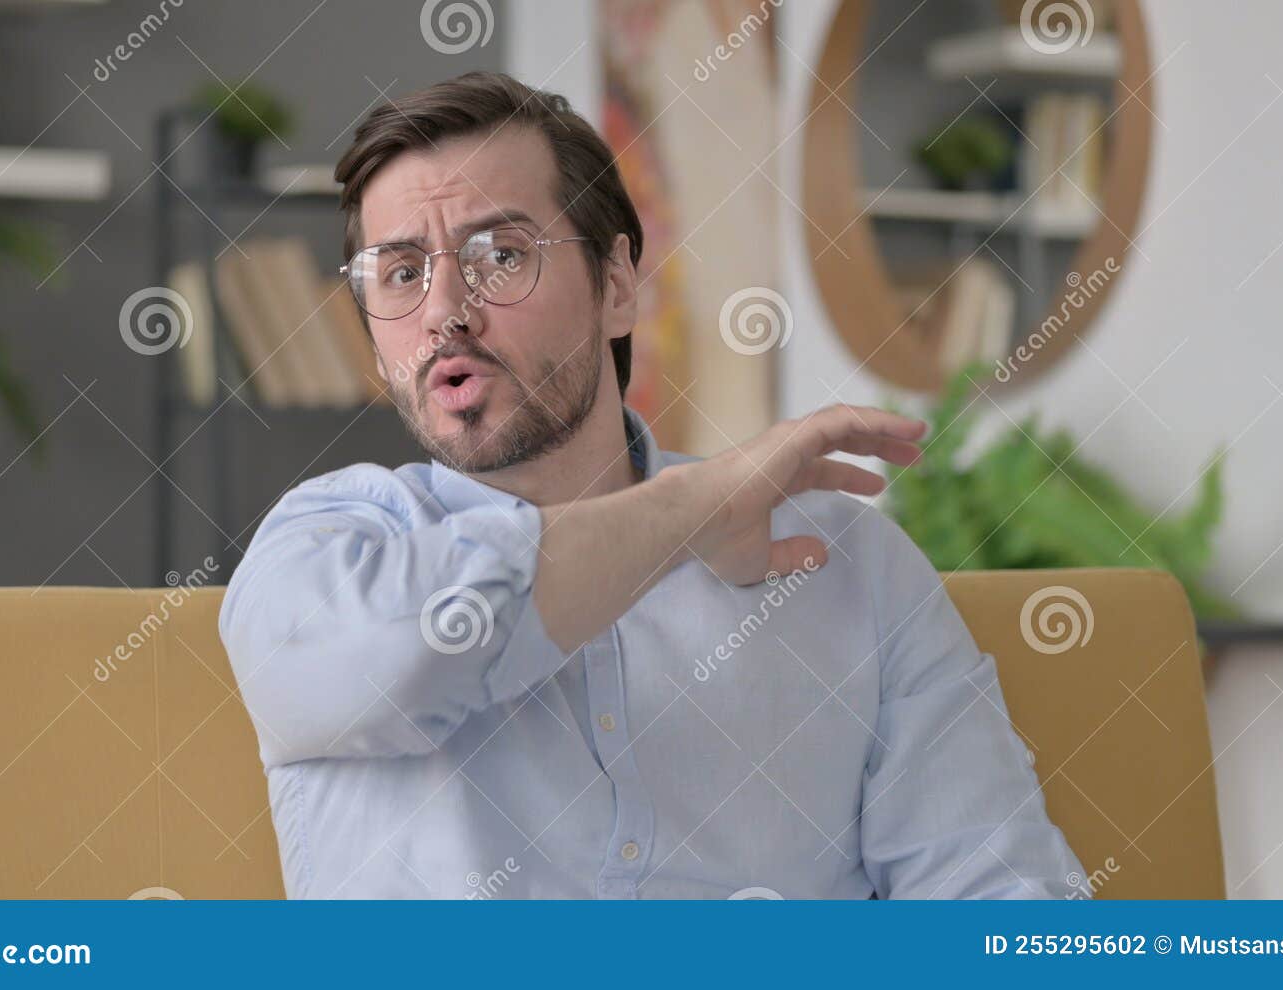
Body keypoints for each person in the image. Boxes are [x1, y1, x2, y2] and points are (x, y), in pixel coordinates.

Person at [218, 71, 1084, 899]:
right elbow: (393, 664)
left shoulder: (848, 563)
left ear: (619, 284)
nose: (446, 310)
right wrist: (694, 510)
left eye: (500, 256)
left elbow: (998, 902)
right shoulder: (328, 549)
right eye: (402, 274)